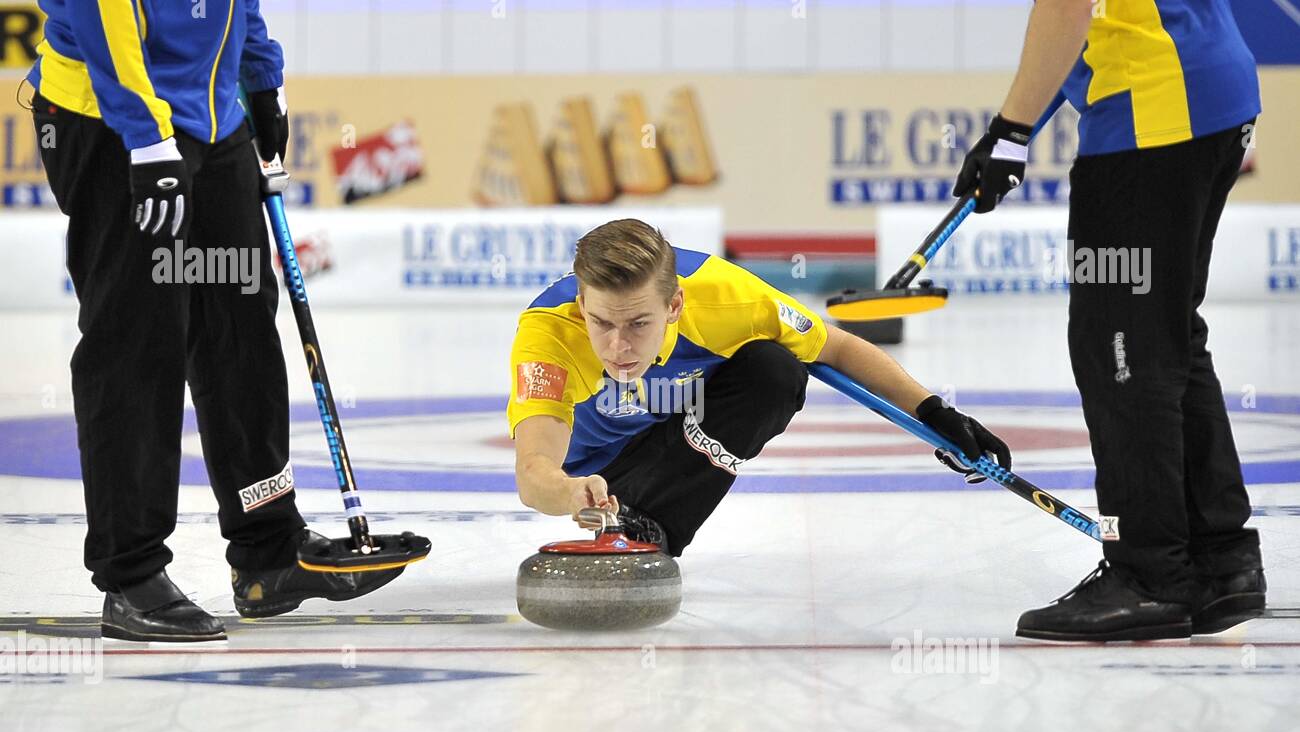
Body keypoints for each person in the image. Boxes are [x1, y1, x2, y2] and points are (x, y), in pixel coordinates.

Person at [26, 1, 402, 642]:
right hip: (112, 120)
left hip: (214, 118)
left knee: (240, 332)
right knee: (137, 339)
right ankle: (131, 573)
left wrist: (262, 80)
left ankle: (268, 549)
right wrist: (146, 138)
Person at [951, 0, 1265, 640]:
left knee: (1117, 346)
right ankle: (1221, 560)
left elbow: (1067, 6)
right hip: (1209, 98)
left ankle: (1150, 575)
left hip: (1153, 120)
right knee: (1167, 334)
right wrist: (1009, 134)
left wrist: (1010, 131)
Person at [509, 218, 1013, 556]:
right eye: (601, 324)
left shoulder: (729, 299)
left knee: (776, 371)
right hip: (595, 470)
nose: (618, 346)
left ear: (676, 306)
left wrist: (936, 414)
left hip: (672, 441)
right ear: (581, 305)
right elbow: (535, 473)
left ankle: (651, 521)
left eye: (639, 324)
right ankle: (630, 506)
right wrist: (572, 493)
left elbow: (835, 349)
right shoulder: (548, 336)